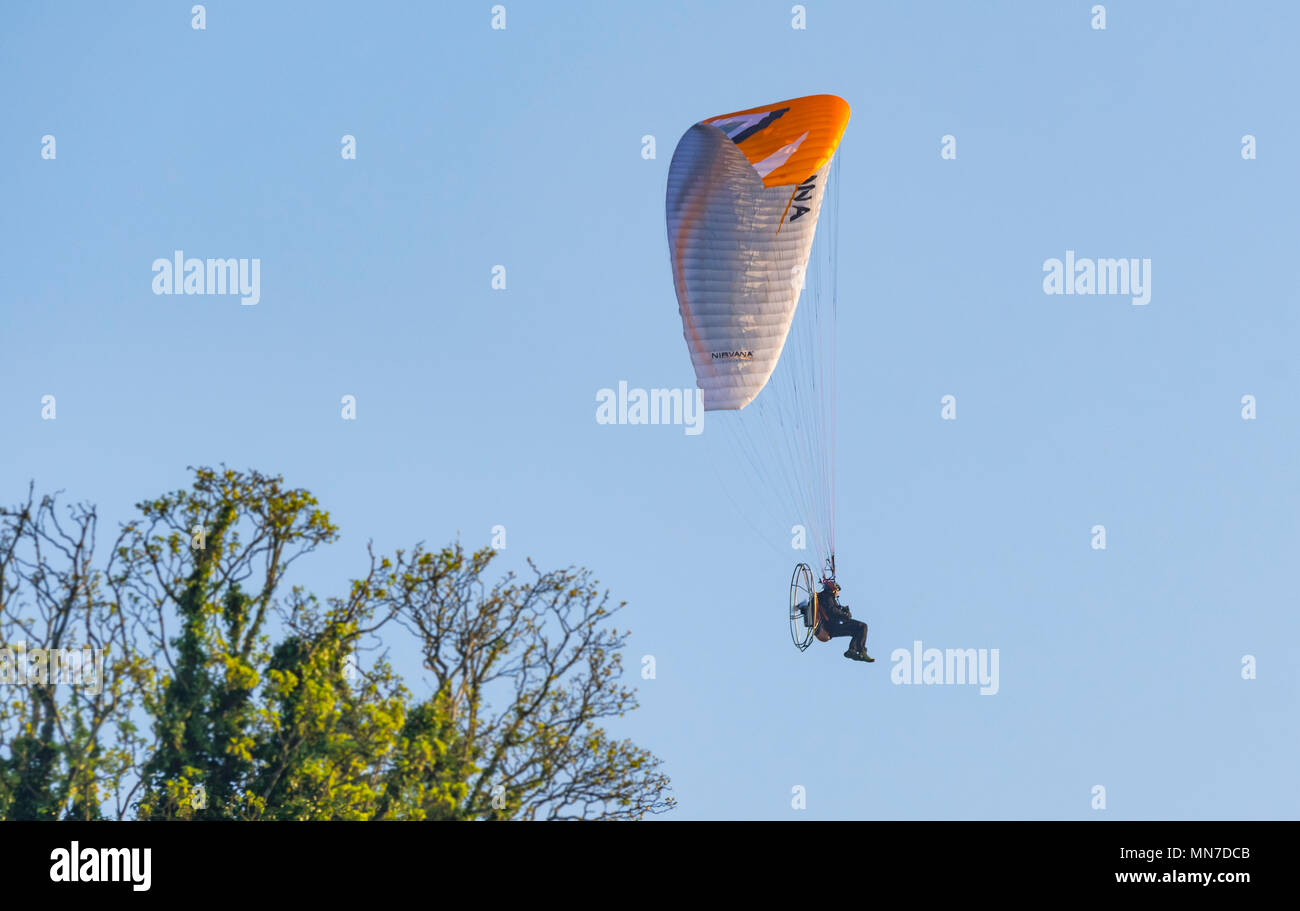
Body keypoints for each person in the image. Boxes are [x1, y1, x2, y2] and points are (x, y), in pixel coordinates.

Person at [818, 580, 873, 662]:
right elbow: (832, 611)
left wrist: (843, 611)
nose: (837, 593)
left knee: (857, 632)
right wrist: (845, 614)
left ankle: (852, 650)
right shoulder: (828, 597)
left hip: (831, 627)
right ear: (832, 590)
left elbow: (833, 610)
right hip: (832, 626)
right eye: (836, 591)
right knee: (862, 626)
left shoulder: (825, 597)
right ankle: (862, 651)